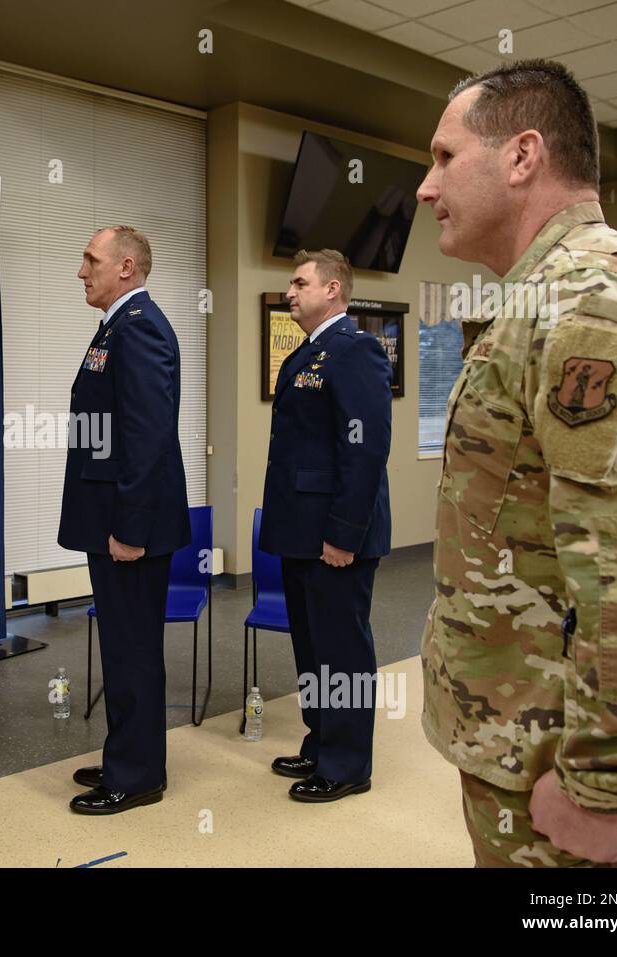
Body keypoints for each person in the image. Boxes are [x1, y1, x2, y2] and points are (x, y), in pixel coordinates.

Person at [417, 58, 617, 866]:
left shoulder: (591, 298)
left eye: (443, 158)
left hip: (561, 769)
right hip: (530, 735)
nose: (424, 187)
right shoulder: (556, 292)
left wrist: (601, 786)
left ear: (522, 156)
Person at [58, 226, 190, 815]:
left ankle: (137, 776)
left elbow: (147, 436)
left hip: (130, 527)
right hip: (112, 519)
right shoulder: (117, 326)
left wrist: (131, 529)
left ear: (127, 267)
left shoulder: (140, 330)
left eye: (91, 260)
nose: (82, 271)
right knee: (120, 645)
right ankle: (125, 755)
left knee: (133, 648)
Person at [259, 249, 392, 803]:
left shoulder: (354, 350)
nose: (289, 291)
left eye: (299, 282)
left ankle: (347, 764)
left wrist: (343, 534)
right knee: (313, 648)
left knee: (342, 649)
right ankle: (321, 740)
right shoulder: (307, 354)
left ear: (333, 289)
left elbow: (364, 452)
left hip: (334, 535)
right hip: (300, 531)